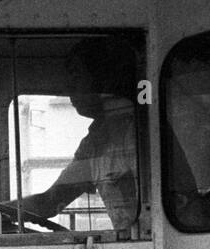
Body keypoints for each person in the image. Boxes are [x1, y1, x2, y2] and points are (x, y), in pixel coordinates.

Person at [12, 38, 140, 232]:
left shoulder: (142, 133)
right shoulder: (94, 144)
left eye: (76, 75)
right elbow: (50, 202)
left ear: (103, 80)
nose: (68, 88)